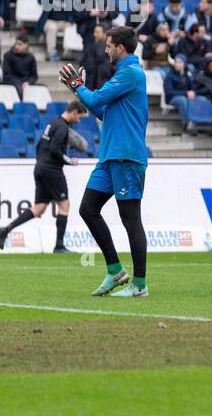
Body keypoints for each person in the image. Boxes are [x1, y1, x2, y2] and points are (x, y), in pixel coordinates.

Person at [58, 26, 151, 297]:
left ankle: (140, 285)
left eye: (109, 45)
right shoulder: (124, 75)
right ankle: (115, 270)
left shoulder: (131, 73)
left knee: (131, 219)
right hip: (110, 156)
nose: (106, 49)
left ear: (121, 47)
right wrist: (78, 90)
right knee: (87, 209)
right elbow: (101, 110)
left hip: (126, 155)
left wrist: (79, 86)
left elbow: (96, 98)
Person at [0, 101, 89, 253]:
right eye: (79, 118)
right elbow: (55, 150)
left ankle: (6, 230)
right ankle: (59, 246)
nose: (78, 121)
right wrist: (70, 161)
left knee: (39, 208)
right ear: (74, 113)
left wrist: (41, 164)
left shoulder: (52, 123)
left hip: (40, 168)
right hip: (52, 170)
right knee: (64, 205)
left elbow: (39, 146)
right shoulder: (62, 127)